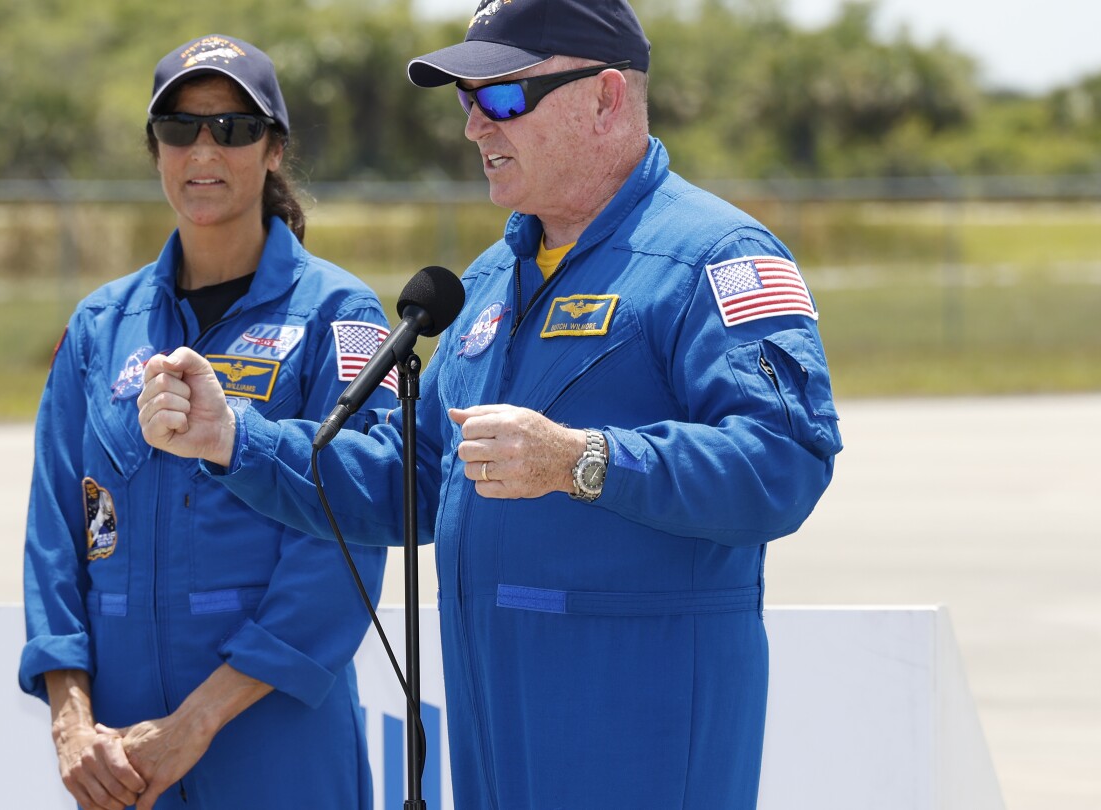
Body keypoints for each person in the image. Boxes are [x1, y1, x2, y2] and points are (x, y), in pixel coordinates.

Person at [139, 2, 843, 808]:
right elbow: (413, 479)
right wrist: (231, 436)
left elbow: (785, 459)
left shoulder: (716, 258)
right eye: (465, 100)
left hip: (639, 743)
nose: (476, 127)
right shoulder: (481, 284)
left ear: (606, 97)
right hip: (492, 749)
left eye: (502, 96)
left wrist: (582, 460)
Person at [18, 34, 394, 810]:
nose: (204, 150)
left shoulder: (339, 317)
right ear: (155, 149)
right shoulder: (99, 324)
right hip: (120, 759)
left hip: (273, 733)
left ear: (274, 150)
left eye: (234, 127)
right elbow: (56, 528)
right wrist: (72, 721)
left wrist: (196, 723)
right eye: (180, 128)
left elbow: (345, 538)